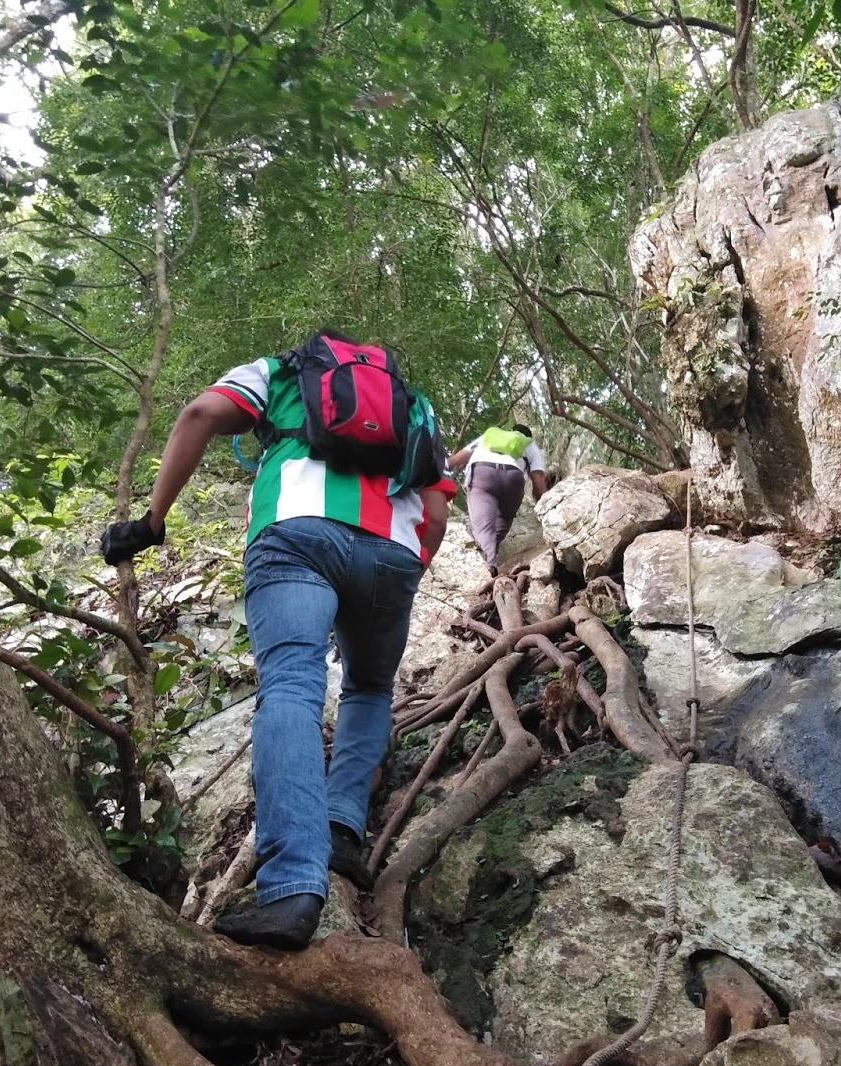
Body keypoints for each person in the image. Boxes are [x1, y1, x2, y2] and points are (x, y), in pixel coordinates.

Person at [101, 330, 454, 950]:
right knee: (370, 688)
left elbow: (200, 414)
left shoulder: (281, 373)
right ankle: (342, 829)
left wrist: (151, 523)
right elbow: (439, 511)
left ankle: (292, 886)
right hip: (392, 553)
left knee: (291, 687)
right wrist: (402, 573)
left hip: (295, 534)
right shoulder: (414, 403)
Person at [446, 423, 547, 576]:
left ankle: (489, 561)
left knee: (483, 525)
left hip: (483, 474)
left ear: (510, 431)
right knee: (504, 518)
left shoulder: (491, 434)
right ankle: (490, 553)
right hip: (512, 478)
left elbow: (458, 458)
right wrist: (546, 505)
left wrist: (443, 466)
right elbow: (537, 477)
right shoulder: (529, 444)